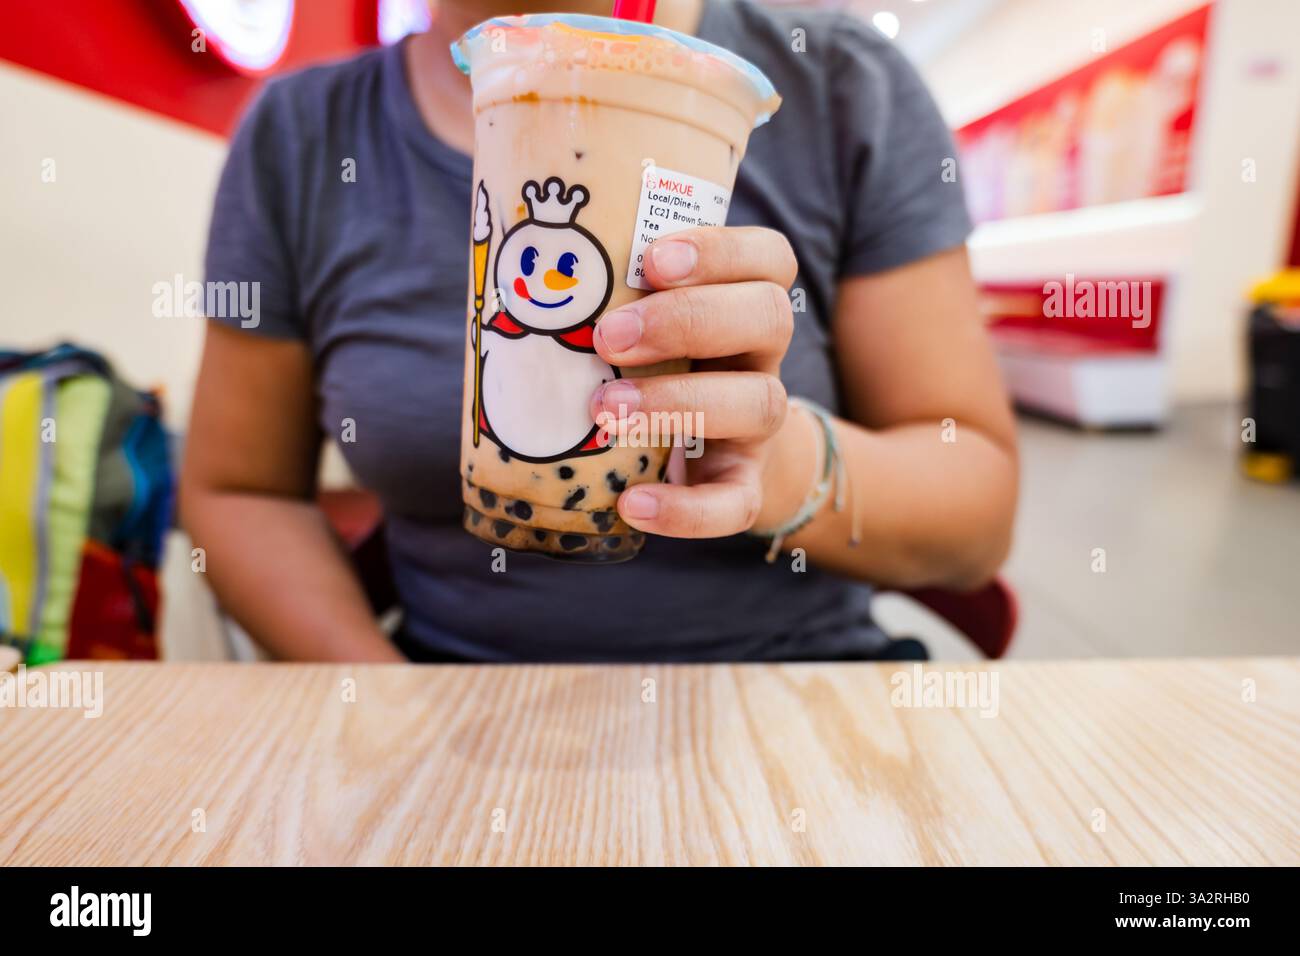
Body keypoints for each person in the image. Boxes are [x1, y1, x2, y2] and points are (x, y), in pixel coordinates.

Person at [181, 0, 1019, 663]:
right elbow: (239, 490)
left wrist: (776, 460)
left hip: (794, 694)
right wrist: (383, 700)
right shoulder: (301, 135)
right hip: (447, 701)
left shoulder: (843, 87)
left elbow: (975, 522)